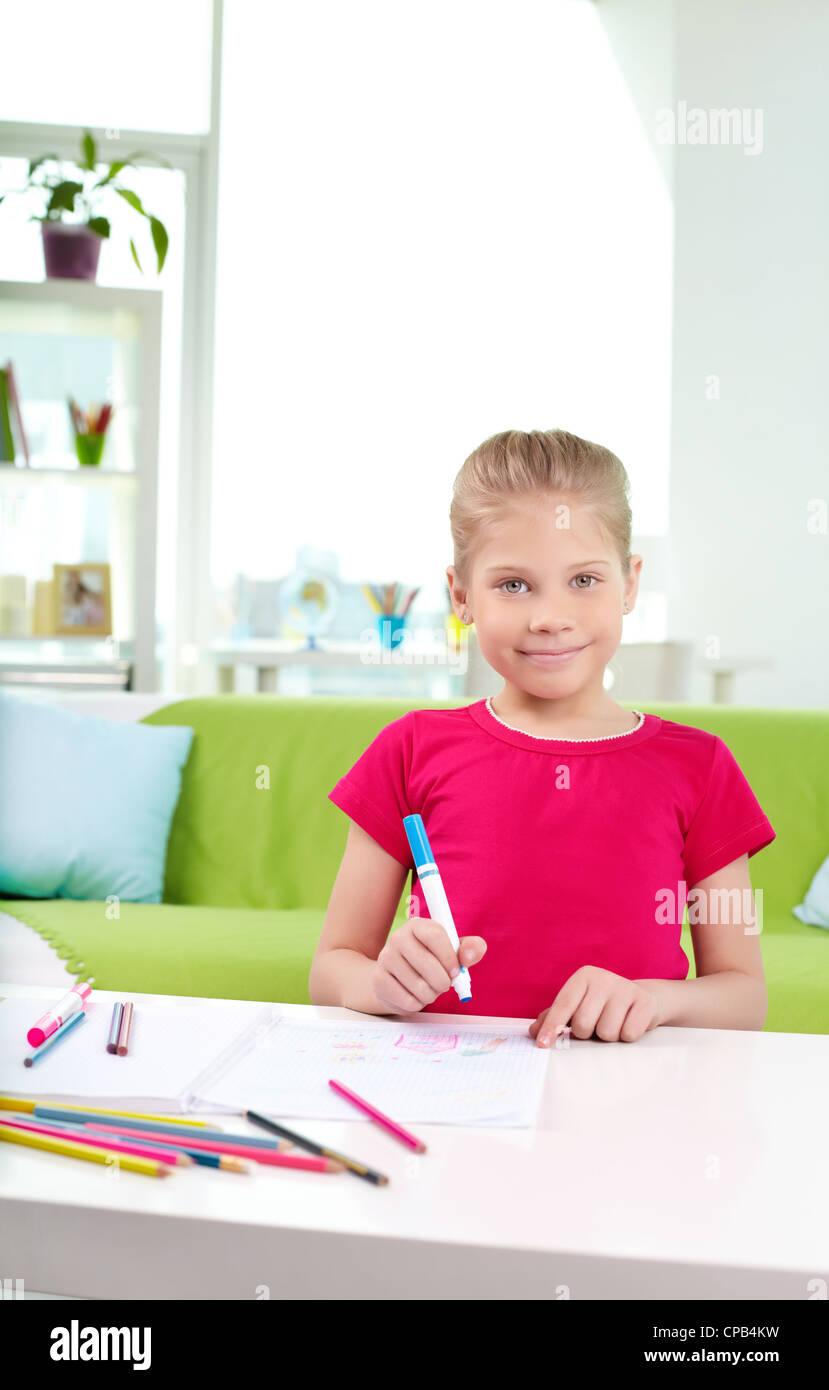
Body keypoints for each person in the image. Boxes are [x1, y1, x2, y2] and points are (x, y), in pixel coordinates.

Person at [309, 429, 776, 1043]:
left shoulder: (701, 766)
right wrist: (378, 984)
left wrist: (652, 1001)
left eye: (583, 580)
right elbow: (330, 969)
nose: (549, 616)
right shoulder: (409, 750)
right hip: (447, 1092)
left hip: (633, 1095)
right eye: (513, 585)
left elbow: (745, 997)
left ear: (630, 584)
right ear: (460, 595)